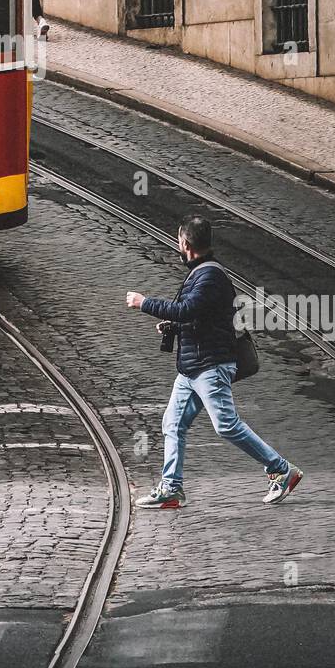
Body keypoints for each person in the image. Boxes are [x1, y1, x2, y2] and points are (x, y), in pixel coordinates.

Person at [126, 215, 303, 509]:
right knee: (172, 423)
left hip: (211, 365)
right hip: (193, 367)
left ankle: (281, 470)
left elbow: (189, 308)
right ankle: (171, 488)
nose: (178, 246)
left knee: (226, 425)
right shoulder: (202, 273)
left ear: (185, 244)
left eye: (179, 242)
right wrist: (174, 324)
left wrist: (145, 303)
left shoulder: (210, 276)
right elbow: (198, 316)